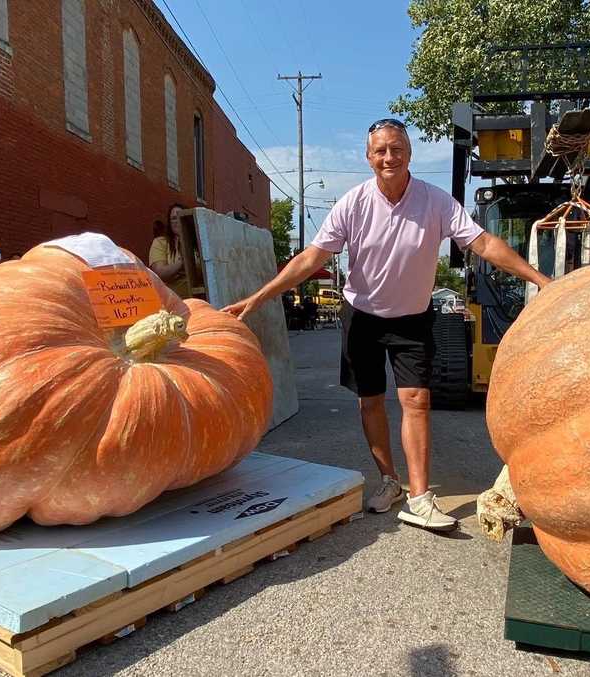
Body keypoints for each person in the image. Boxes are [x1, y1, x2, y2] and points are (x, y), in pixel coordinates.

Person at [222, 118, 550, 532]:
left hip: (412, 319)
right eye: (380, 151)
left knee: (416, 400)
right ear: (369, 157)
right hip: (362, 318)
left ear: (409, 154)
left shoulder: (436, 202)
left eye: (396, 149)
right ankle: (389, 482)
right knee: (370, 401)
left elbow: (483, 243)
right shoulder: (353, 204)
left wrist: (539, 280)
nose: (388, 157)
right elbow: (311, 258)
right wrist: (259, 296)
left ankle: (419, 497)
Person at [149, 206, 191, 297]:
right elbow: (159, 273)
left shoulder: (198, 242)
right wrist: (181, 262)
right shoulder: (160, 242)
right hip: (173, 301)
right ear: (170, 223)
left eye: (181, 216)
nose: (177, 220)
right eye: (174, 218)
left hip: (200, 300)